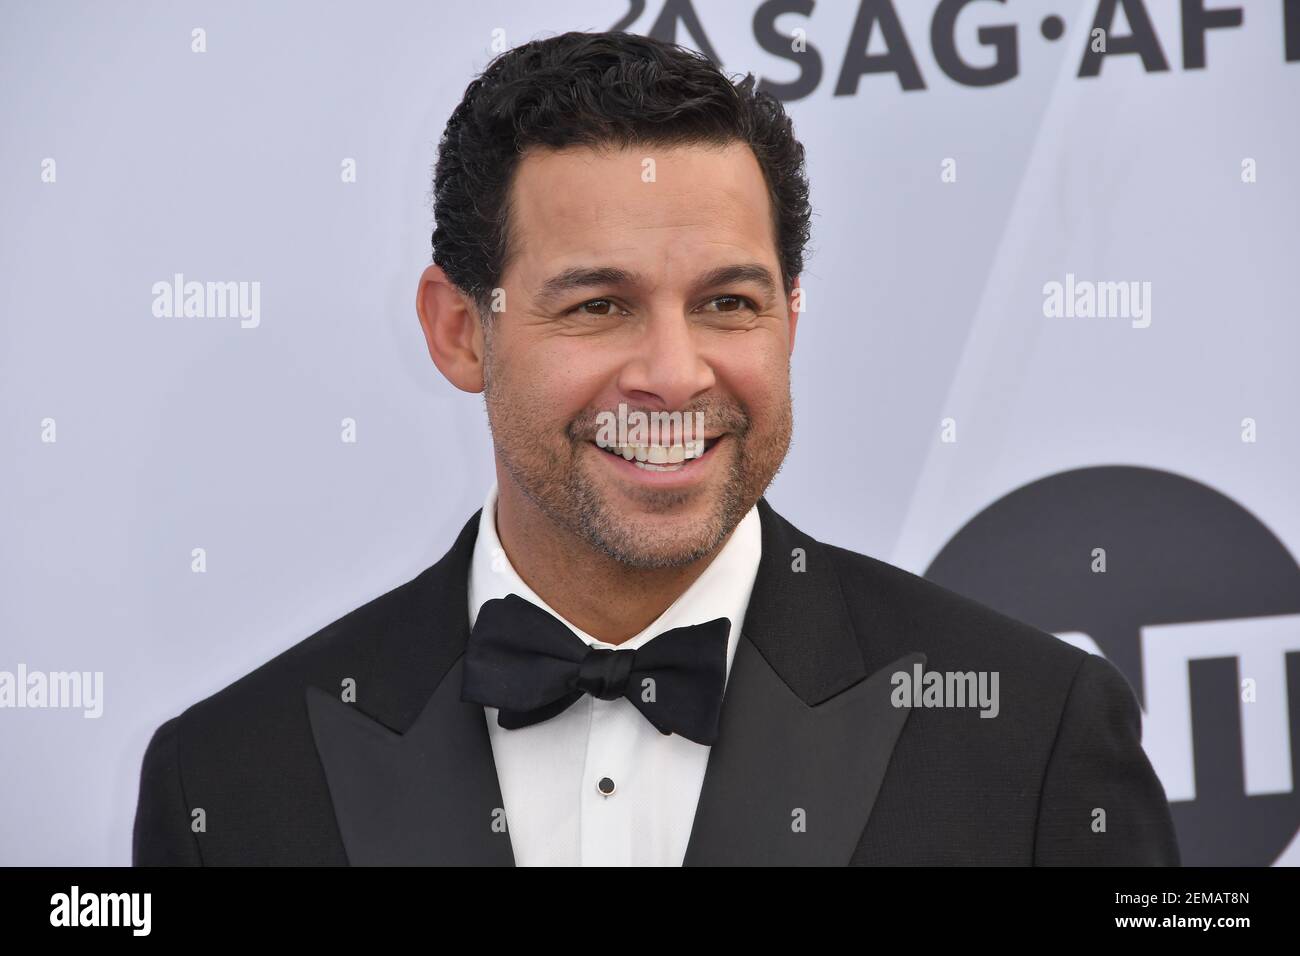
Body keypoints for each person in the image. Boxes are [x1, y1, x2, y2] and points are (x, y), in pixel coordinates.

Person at [132, 30, 1179, 866]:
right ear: (461, 330)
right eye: (597, 305)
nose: (675, 374)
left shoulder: (1033, 736)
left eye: (727, 301)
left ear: (791, 320)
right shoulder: (231, 780)